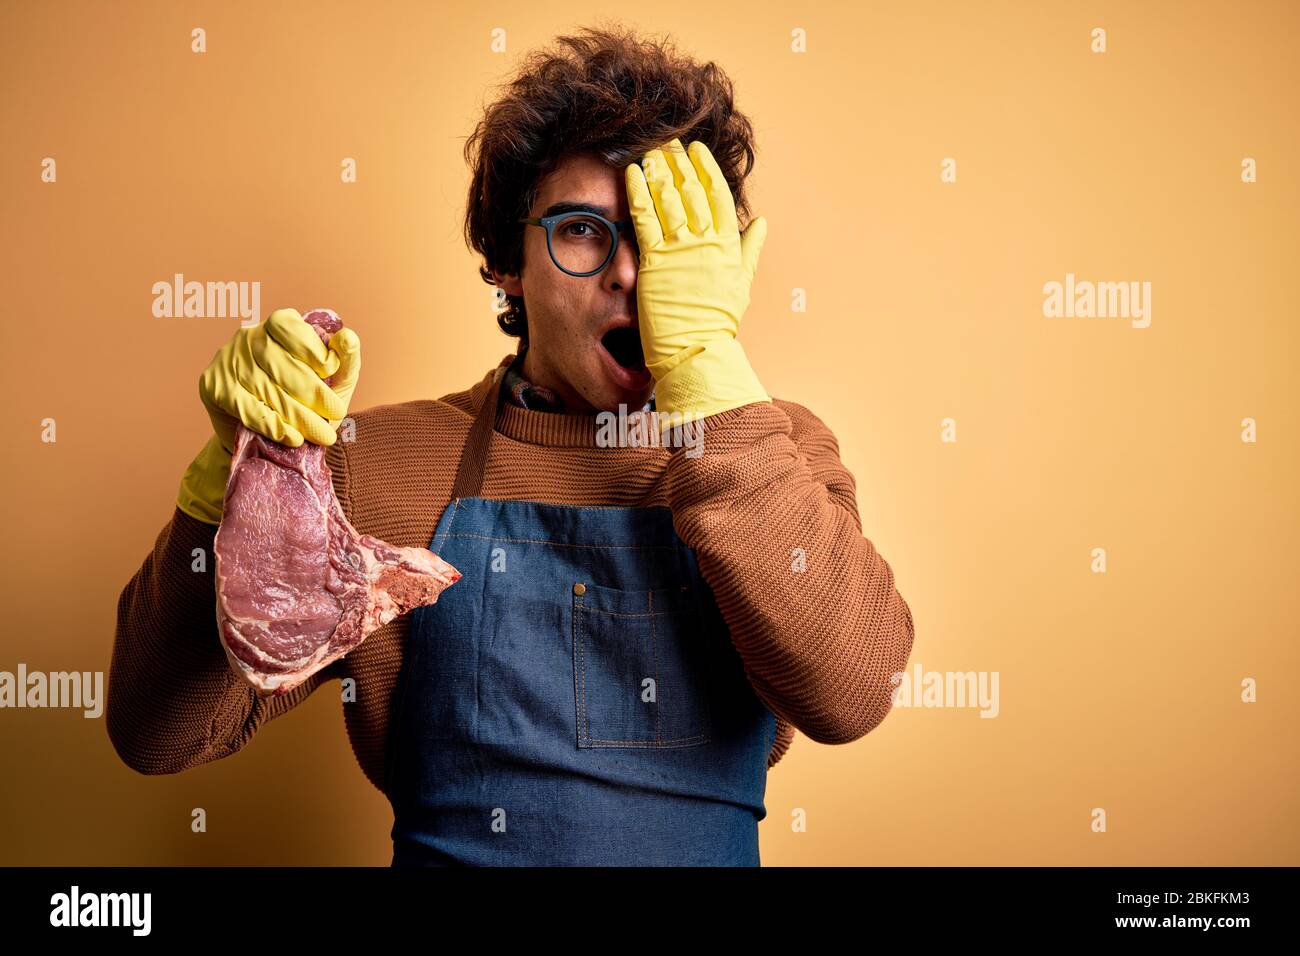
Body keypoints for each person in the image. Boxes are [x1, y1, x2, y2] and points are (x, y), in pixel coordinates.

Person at [107, 24, 915, 867]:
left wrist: (710, 373)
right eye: (583, 231)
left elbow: (851, 696)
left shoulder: (775, 448)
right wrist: (235, 485)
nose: (633, 275)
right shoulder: (374, 464)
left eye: (667, 238)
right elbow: (157, 734)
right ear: (506, 261)